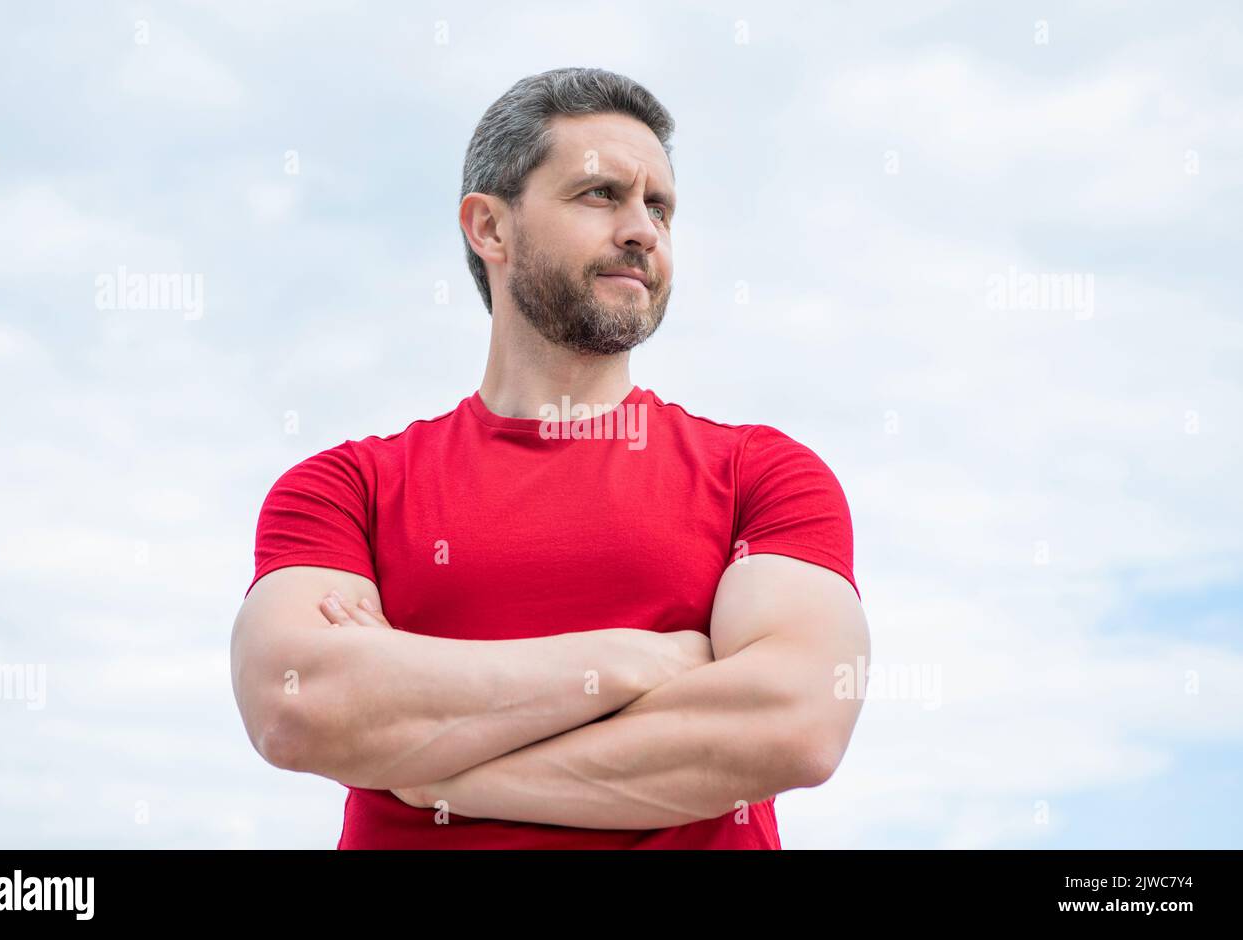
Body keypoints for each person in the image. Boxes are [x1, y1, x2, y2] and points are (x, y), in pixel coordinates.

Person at [230, 66, 870, 849]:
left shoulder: (761, 475)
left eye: (659, 206)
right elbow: (295, 705)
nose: (643, 230)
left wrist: (439, 773)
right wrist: (638, 662)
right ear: (490, 228)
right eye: (600, 194)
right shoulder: (345, 488)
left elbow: (794, 724)